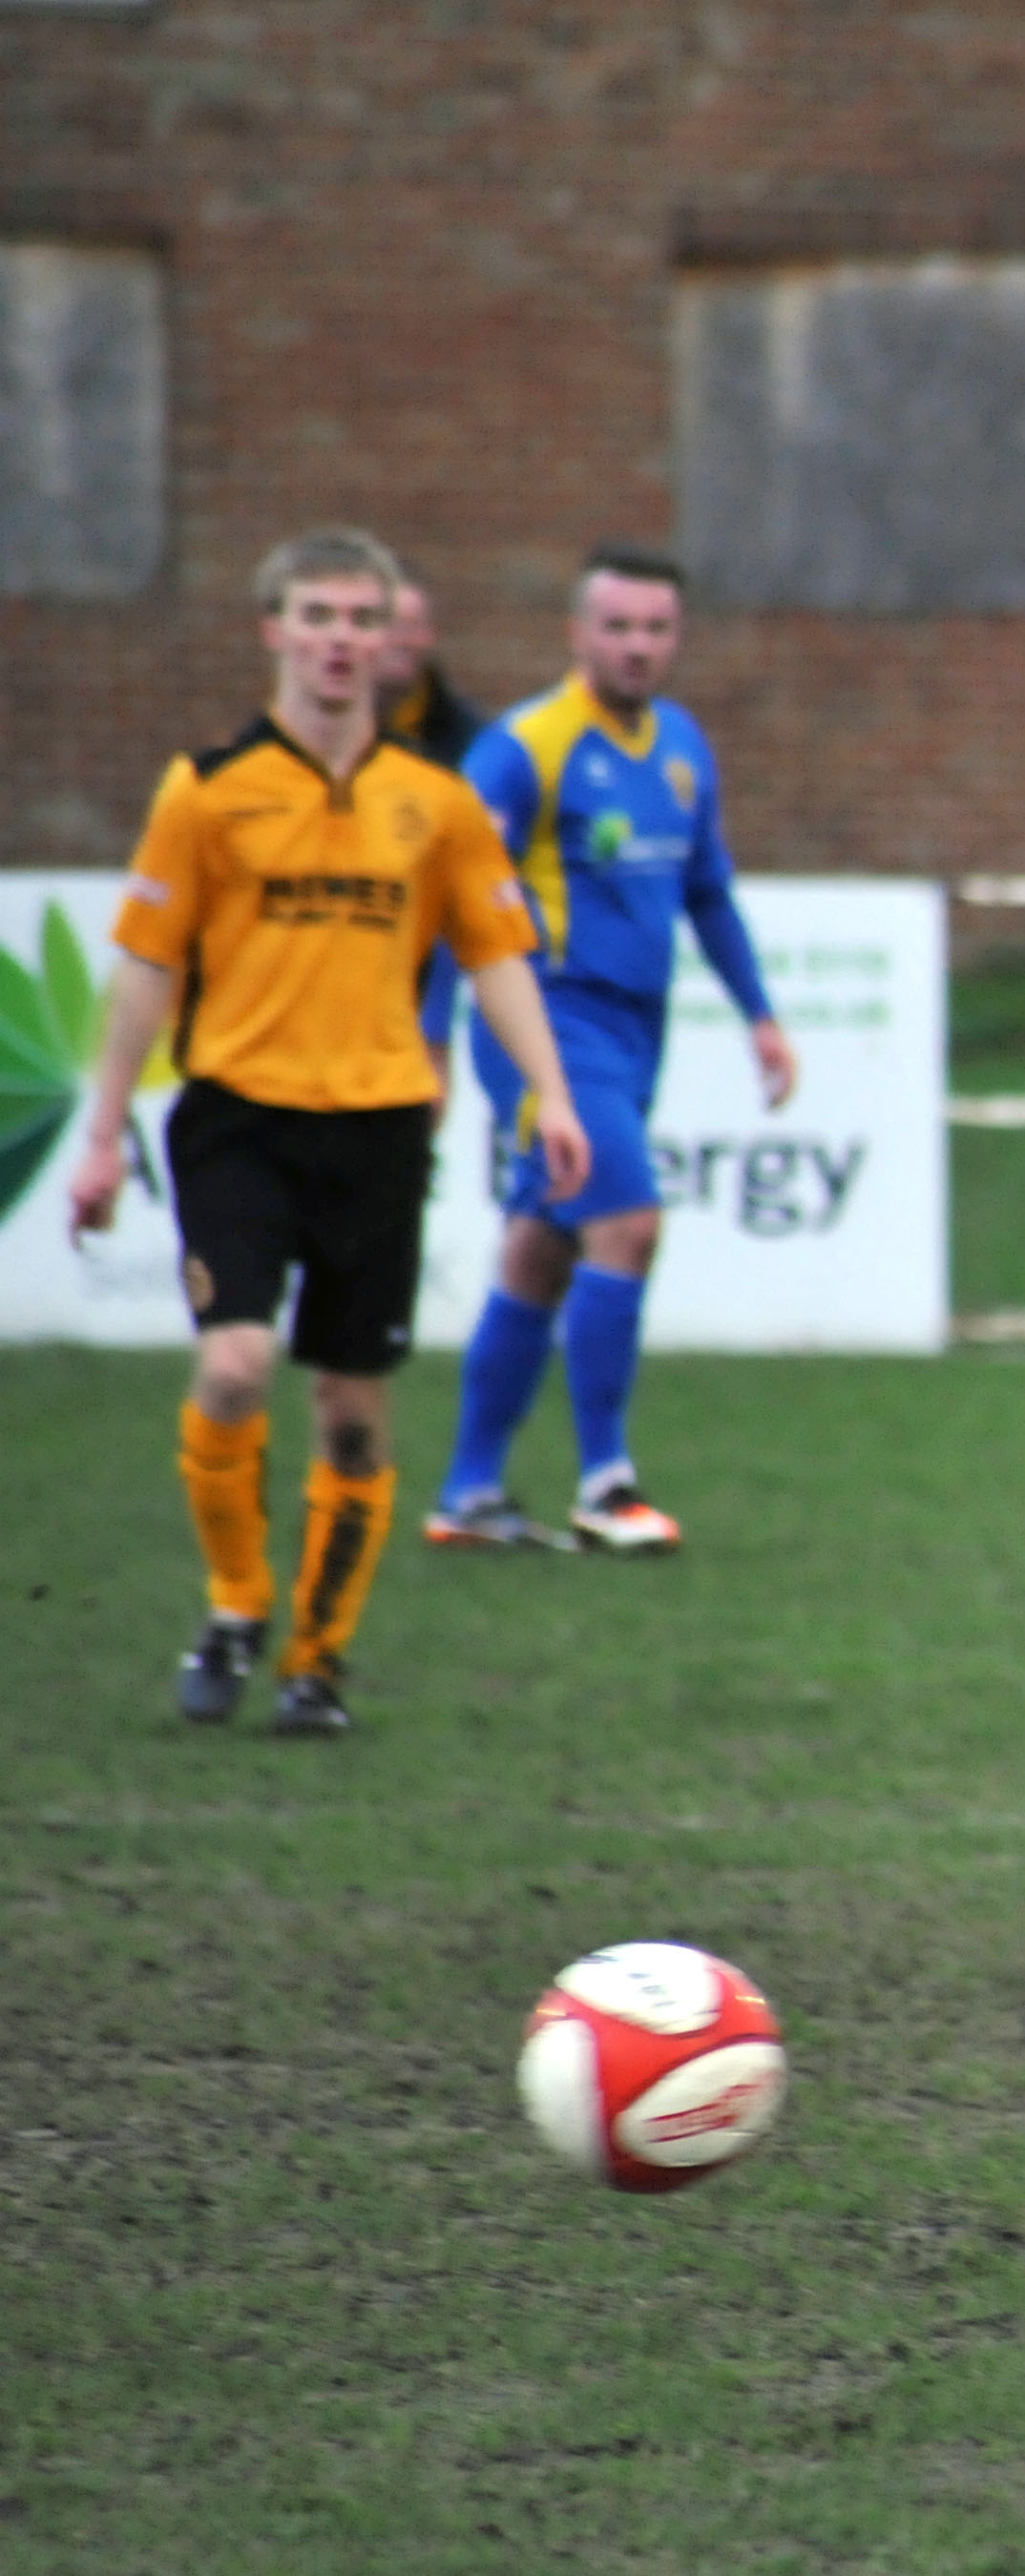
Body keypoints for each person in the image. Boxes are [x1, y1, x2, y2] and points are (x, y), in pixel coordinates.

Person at [62, 528, 590, 1735]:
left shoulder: (436, 802)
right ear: (275, 631)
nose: (340, 642)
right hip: (237, 1118)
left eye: (362, 619)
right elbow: (145, 967)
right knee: (237, 1365)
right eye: (317, 617)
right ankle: (236, 1602)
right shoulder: (207, 789)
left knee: (351, 1411)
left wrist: (550, 1093)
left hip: (381, 1126)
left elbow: (498, 954)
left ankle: (316, 1657)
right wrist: (101, 1134)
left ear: (389, 638)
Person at [424, 546, 797, 1557]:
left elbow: (706, 889)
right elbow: (450, 902)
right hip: (545, 1025)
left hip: (634, 1030)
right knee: (625, 1225)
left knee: (541, 1251)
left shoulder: (680, 744)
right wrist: (431, 1042)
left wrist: (759, 1013)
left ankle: (467, 1493)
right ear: (576, 634)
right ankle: (605, 1483)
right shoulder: (523, 748)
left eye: (656, 628)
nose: (637, 646)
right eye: (618, 626)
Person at [375, 570, 483, 772]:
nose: (402, 640)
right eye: (391, 626)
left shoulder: (467, 736)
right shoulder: (333, 726)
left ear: (433, 634)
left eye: (413, 626)